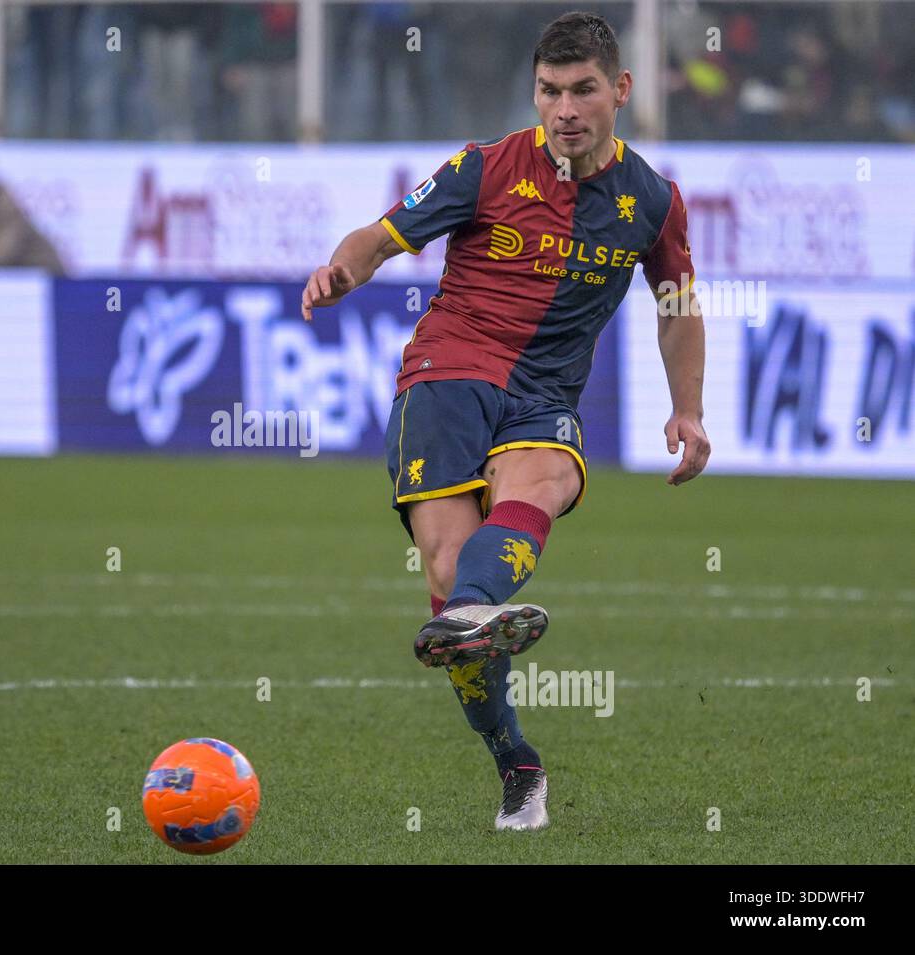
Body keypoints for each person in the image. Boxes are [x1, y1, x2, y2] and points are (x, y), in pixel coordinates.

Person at [301, 12, 709, 832]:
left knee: (546, 479)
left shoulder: (652, 201)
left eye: (582, 90)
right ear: (535, 92)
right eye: (550, 91)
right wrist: (344, 267)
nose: (564, 109)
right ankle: (516, 760)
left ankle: (477, 610)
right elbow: (381, 237)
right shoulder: (483, 168)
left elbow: (677, 305)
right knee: (449, 577)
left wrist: (689, 408)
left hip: (546, 393)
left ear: (619, 91)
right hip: (448, 371)